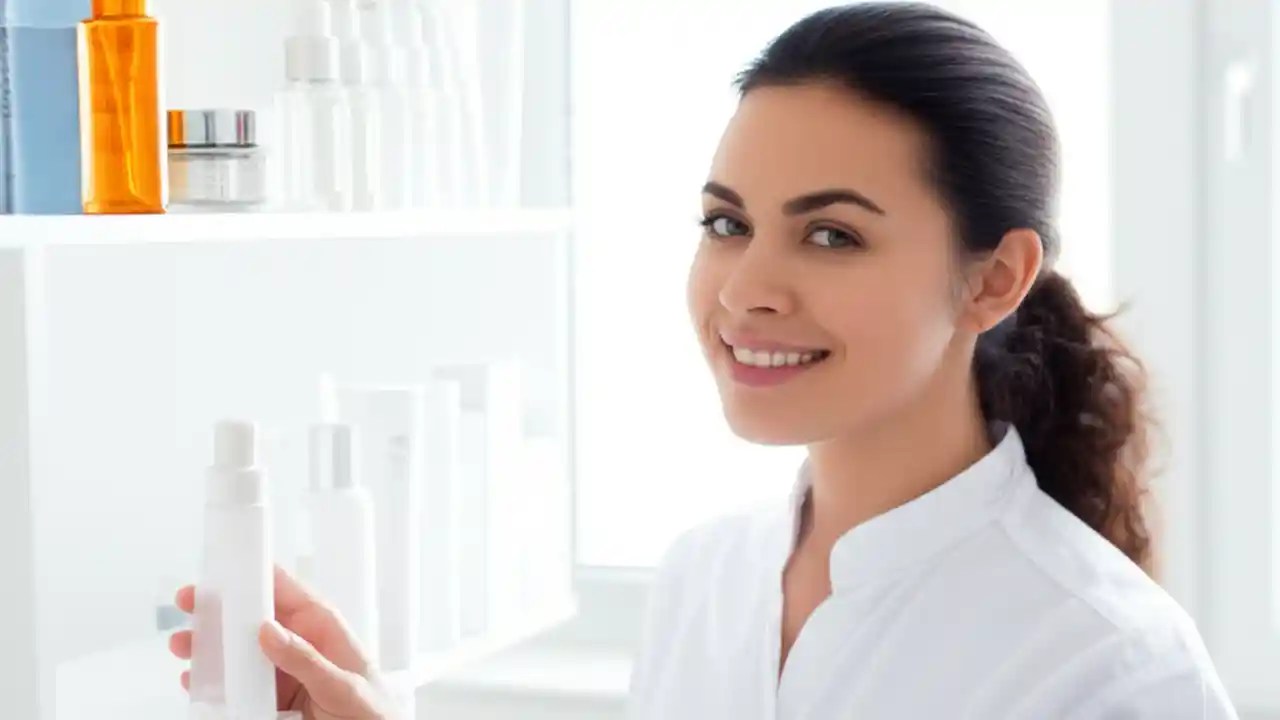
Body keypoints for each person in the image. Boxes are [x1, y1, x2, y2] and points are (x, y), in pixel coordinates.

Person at [168, 3, 1239, 718]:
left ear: (993, 279)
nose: (743, 289)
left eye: (830, 235)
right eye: (727, 223)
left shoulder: (1107, 667)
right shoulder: (706, 579)